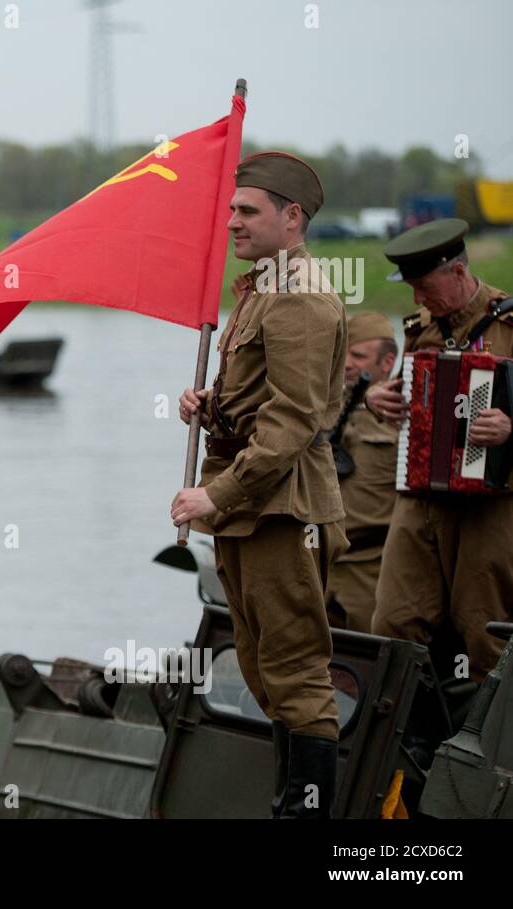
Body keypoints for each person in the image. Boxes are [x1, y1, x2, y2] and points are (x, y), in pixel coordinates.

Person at [172, 152, 347, 818]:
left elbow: (294, 420)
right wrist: (210, 405)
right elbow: (258, 400)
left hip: (279, 508)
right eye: (231, 209)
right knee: (263, 671)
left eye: (247, 210)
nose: (232, 222)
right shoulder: (262, 287)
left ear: (292, 217)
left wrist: (215, 495)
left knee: (298, 677)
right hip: (251, 509)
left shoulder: (297, 292)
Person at [365, 218, 513, 684]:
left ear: (458, 272)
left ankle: (484, 750)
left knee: (483, 628)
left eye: (424, 287)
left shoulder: (509, 323)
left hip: (491, 503)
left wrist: (511, 428)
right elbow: (408, 392)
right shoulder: (421, 327)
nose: (416, 300)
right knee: (392, 620)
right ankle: (411, 738)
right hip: (422, 498)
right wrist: (378, 399)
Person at [326, 312, 398, 632]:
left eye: (358, 355)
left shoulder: (406, 416)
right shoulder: (322, 406)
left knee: (367, 666)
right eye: (343, 355)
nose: (348, 364)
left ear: (387, 364)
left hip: (372, 570)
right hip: (319, 565)